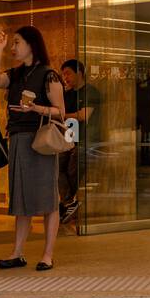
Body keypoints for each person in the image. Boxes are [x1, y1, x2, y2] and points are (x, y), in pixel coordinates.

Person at [0, 26, 66, 272]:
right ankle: (17, 252)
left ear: (31, 45)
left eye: (16, 43)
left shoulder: (49, 75)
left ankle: (48, 254)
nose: (13, 47)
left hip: (41, 140)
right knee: (20, 197)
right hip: (18, 137)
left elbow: (60, 112)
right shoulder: (15, 73)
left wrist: (35, 109)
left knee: (47, 198)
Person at [59, 58, 101, 226]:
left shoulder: (91, 91)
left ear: (80, 73)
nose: (65, 77)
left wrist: (64, 115)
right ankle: (69, 203)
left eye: (68, 73)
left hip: (87, 140)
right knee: (57, 167)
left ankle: (66, 204)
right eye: (63, 75)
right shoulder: (67, 94)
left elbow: (84, 116)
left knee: (72, 170)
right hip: (68, 138)